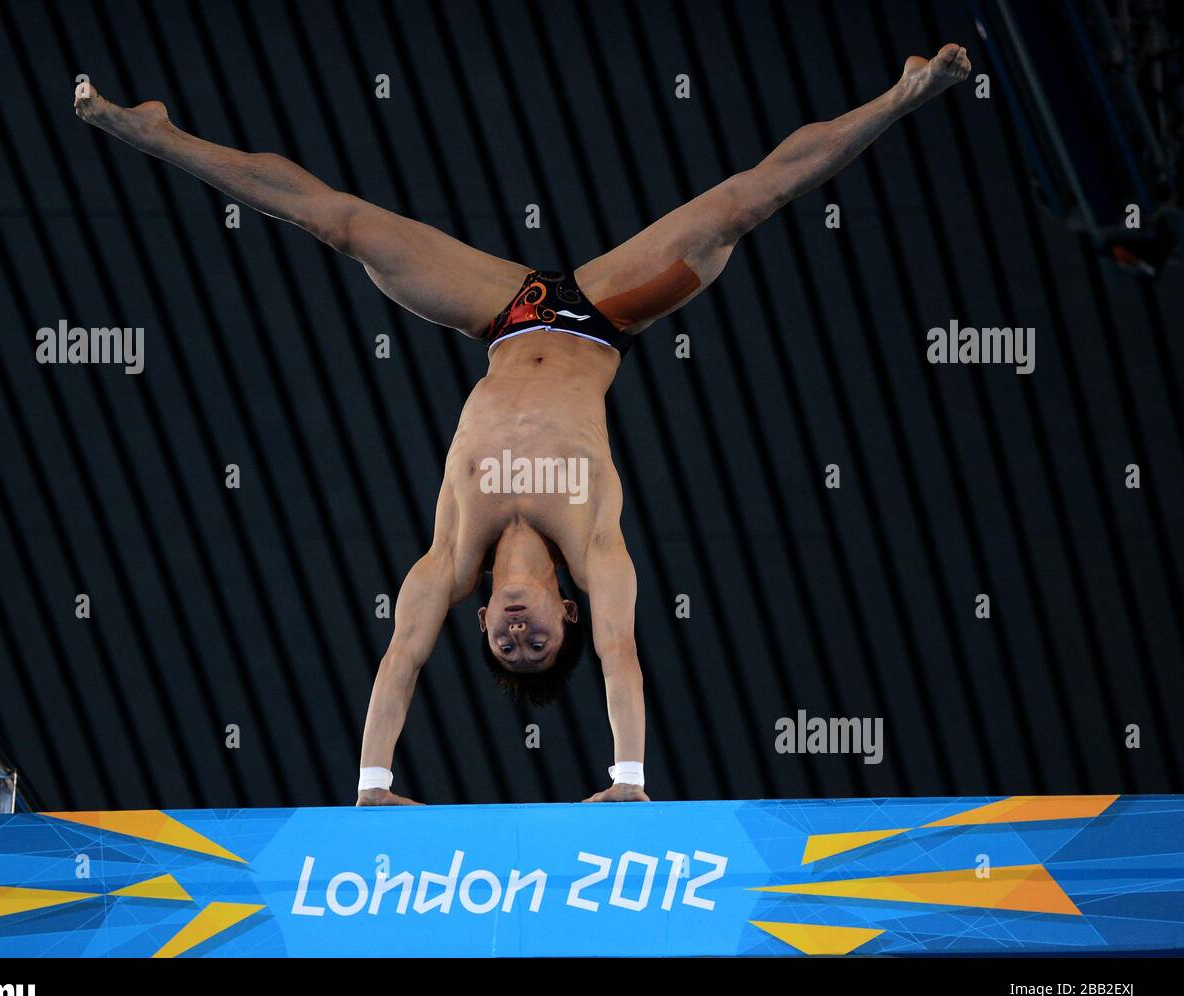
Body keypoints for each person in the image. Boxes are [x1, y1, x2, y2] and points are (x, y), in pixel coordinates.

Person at [74, 43, 971, 805]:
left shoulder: (449, 556)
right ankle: (902, 94)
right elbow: (621, 650)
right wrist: (629, 774)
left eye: (505, 643)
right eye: (538, 637)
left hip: (501, 316)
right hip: (604, 314)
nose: (516, 632)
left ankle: (159, 135)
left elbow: (400, 658)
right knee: (744, 202)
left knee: (341, 224)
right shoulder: (596, 548)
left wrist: (372, 783)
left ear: (482, 627)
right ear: (563, 607)